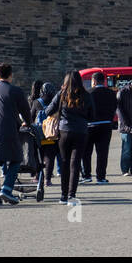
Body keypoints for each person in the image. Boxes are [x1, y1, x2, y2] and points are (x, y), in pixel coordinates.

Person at [0, 63, 31, 207]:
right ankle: (7, 188)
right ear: (11, 75)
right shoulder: (16, 91)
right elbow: (25, 110)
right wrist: (28, 122)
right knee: (16, 159)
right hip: (10, 130)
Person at [46, 71, 93, 204]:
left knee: (65, 163)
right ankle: (72, 195)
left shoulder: (61, 94)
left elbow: (48, 111)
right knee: (75, 164)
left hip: (64, 131)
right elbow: (92, 116)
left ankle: (63, 195)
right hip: (81, 131)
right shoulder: (86, 95)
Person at [82, 71, 118, 184]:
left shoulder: (87, 93)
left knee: (86, 152)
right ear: (104, 81)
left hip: (90, 125)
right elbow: (114, 108)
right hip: (106, 124)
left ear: (93, 81)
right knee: (102, 152)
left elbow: (84, 109)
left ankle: (87, 175)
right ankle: (101, 177)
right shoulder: (111, 93)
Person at [31, 81, 58, 186]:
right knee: (50, 156)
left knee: (38, 155)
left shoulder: (37, 102)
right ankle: (47, 179)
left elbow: (31, 117)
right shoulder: (55, 102)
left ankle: (38, 176)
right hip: (51, 133)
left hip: (39, 133)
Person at [117, 75, 132, 176]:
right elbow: (119, 110)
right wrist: (126, 125)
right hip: (125, 126)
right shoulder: (123, 92)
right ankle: (125, 170)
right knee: (126, 149)